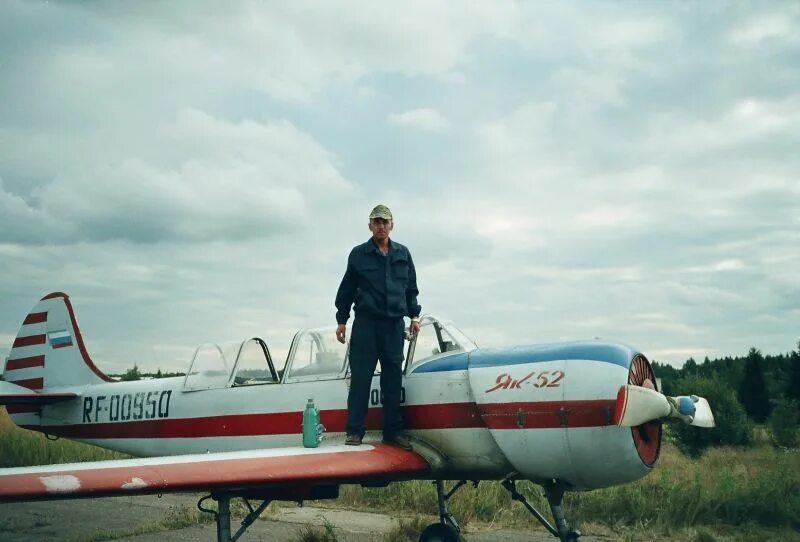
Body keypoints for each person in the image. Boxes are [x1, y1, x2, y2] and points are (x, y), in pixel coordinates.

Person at [335, 204, 421, 450]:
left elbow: (411, 289)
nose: (381, 226)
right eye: (376, 222)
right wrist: (342, 320)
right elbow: (347, 289)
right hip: (366, 325)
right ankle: (354, 431)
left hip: (394, 325)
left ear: (392, 225)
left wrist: (414, 317)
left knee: (392, 380)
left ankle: (392, 432)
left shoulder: (403, 253)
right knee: (361, 378)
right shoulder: (358, 254)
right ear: (370, 225)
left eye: (385, 222)